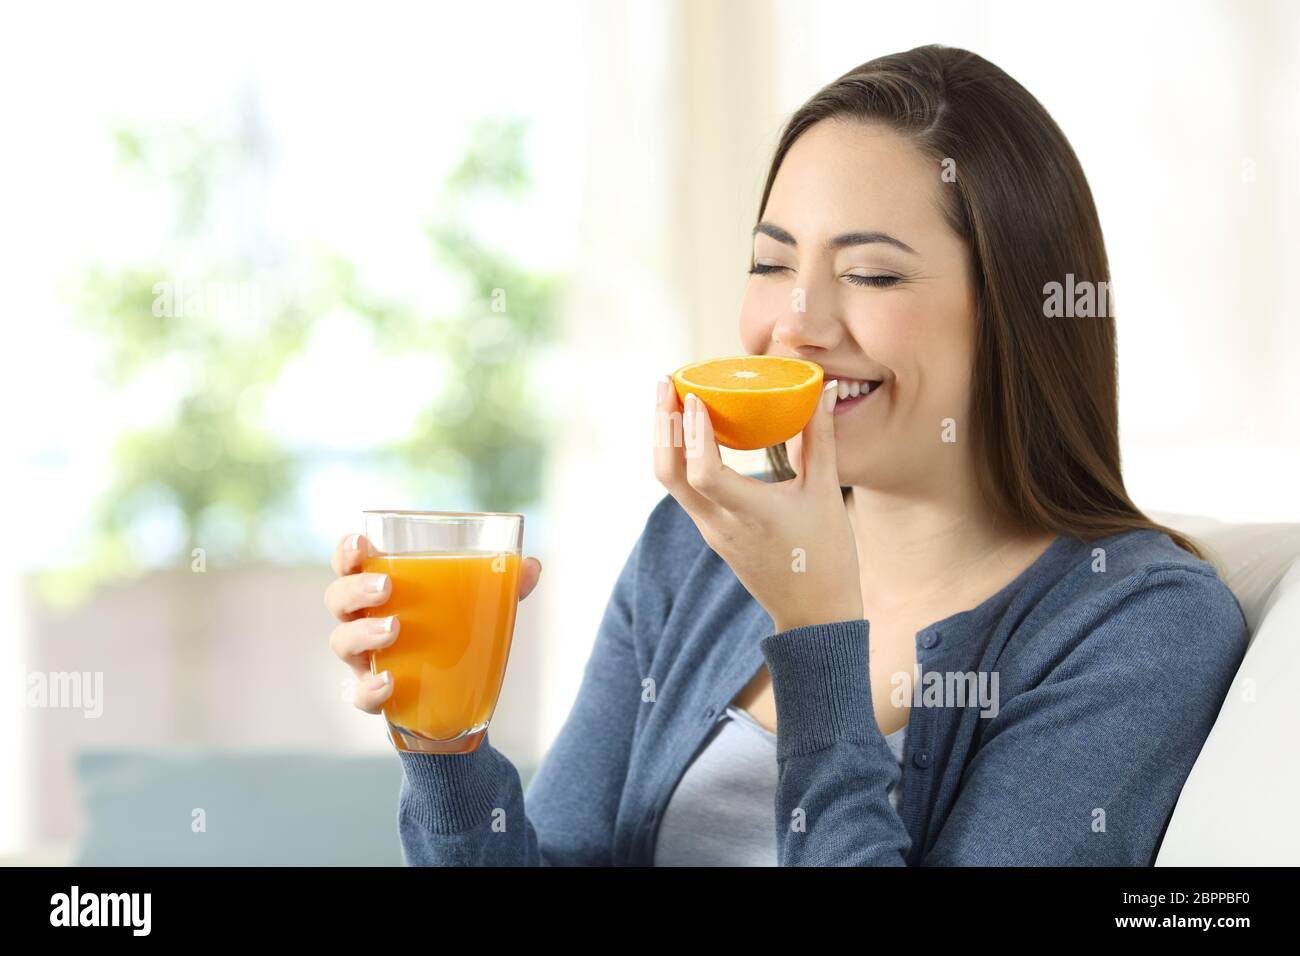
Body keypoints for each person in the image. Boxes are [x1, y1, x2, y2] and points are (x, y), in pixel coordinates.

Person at [324, 44, 1248, 866]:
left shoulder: (1138, 624)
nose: (795, 326)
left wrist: (817, 639)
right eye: (772, 264)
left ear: (1012, 309)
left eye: (871, 273)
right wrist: (445, 743)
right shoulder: (692, 551)